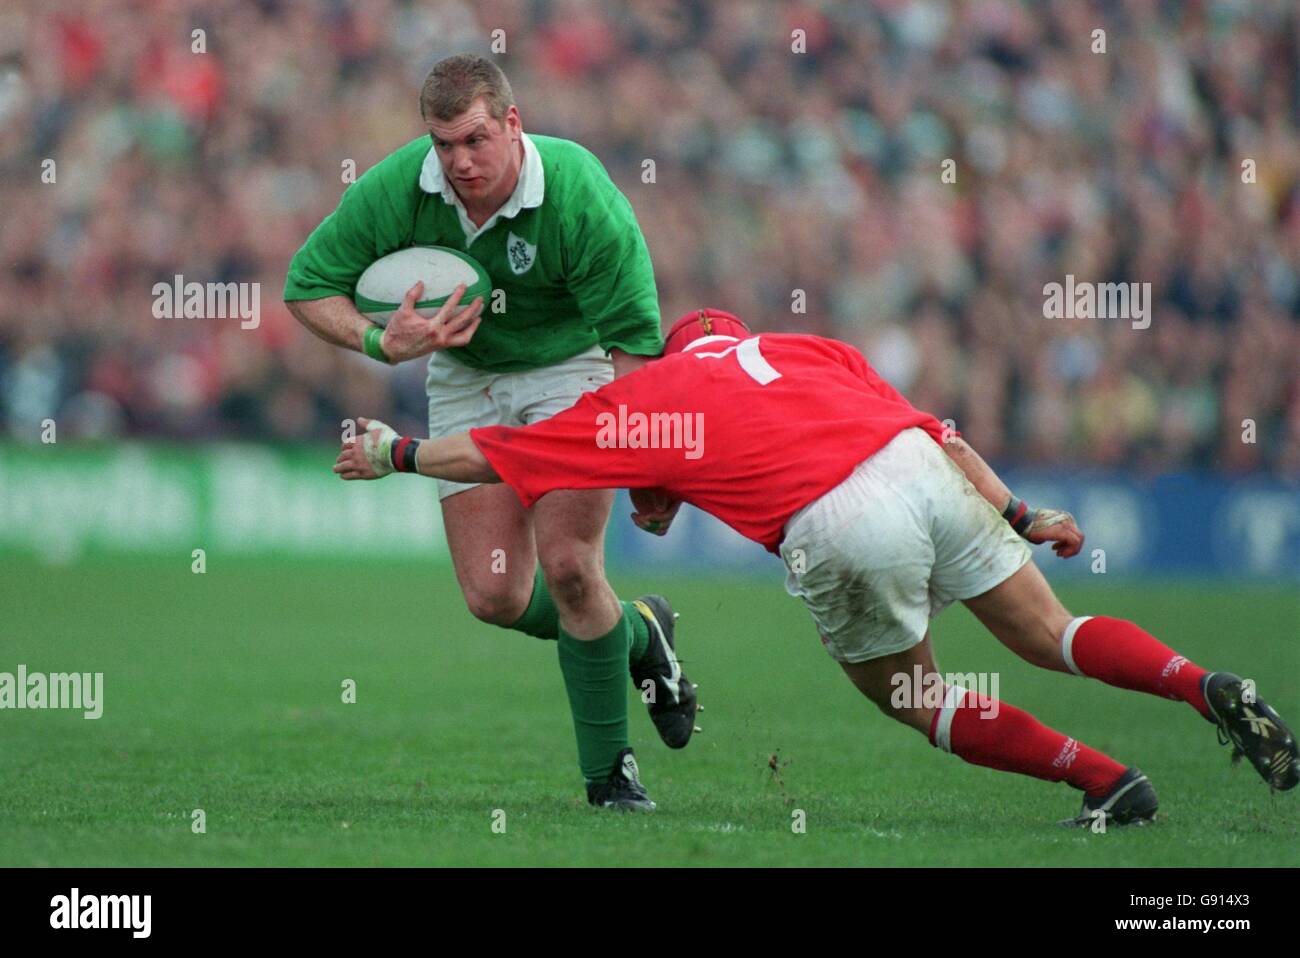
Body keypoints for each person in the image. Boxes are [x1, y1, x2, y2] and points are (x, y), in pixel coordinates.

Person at [333, 308, 1298, 825]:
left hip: (838, 517)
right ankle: (1197, 681)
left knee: (917, 696)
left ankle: (1106, 781)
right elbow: (937, 431)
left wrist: (398, 454)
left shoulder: (658, 394)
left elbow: (502, 448)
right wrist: (1022, 510)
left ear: (675, 352)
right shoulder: (805, 348)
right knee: (1058, 634)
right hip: (920, 468)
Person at [284, 53, 697, 811]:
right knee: (495, 595)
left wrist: (651, 471)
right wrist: (381, 344)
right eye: (443, 145)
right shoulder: (404, 185)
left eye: (475, 140)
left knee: (571, 566)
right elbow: (306, 286)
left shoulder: (579, 193)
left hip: (572, 371)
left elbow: (636, 346)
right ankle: (641, 635)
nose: (459, 162)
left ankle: (610, 778)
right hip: (466, 376)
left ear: (513, 123)